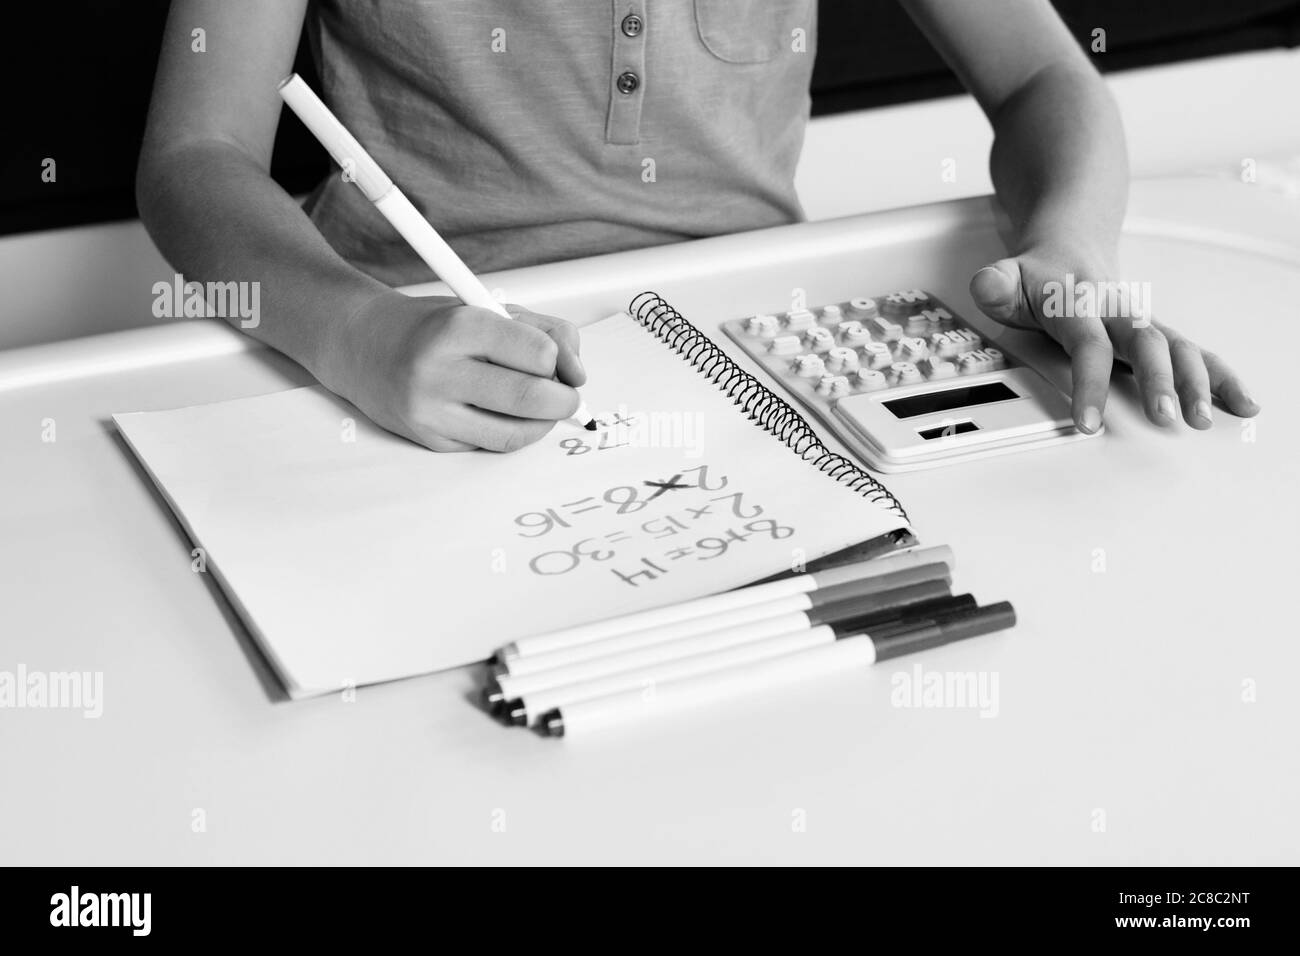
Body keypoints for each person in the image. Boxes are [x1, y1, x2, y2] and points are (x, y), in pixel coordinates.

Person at [137, 0, 1258, 453]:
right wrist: (354, 332)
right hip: (398, 356)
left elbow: (1041, 82)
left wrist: (1067, 244)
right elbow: (196, 156)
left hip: (753, 366)